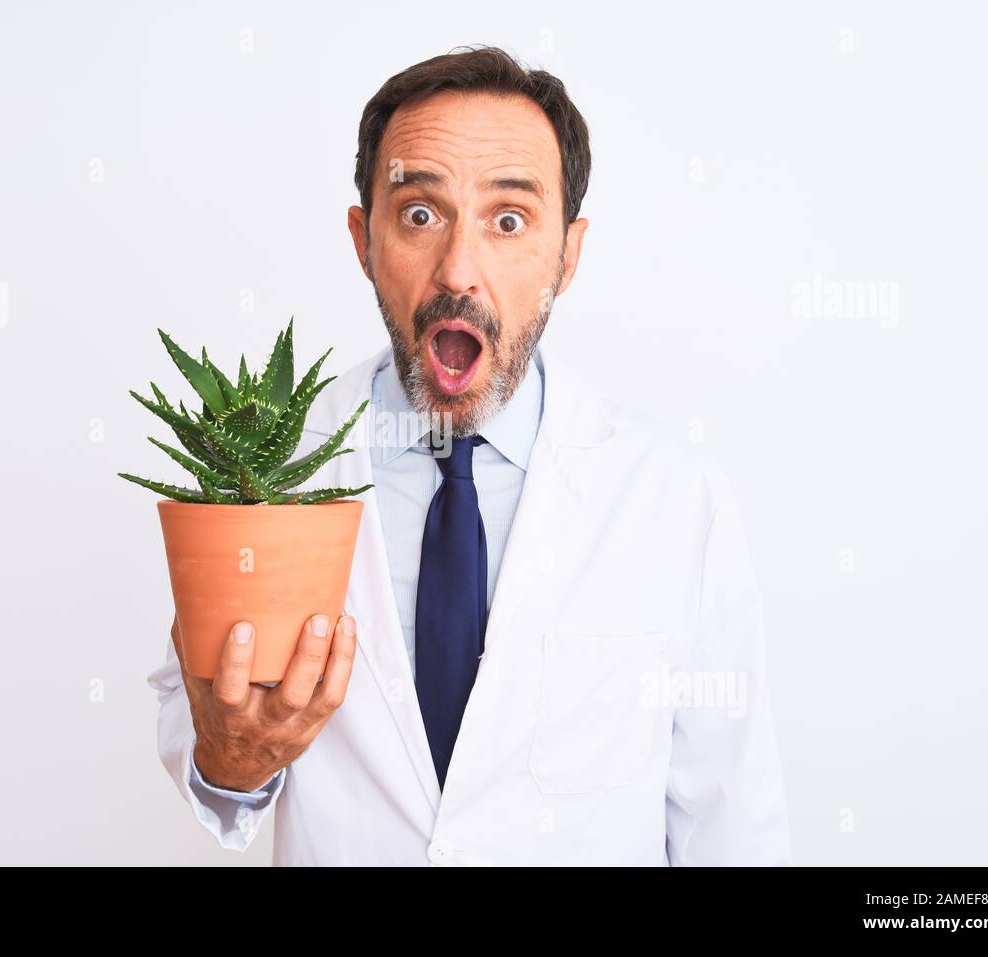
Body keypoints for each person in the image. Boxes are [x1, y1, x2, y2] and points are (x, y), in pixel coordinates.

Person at [147, 44, 792, 866]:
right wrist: (230, 764)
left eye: (510, 220)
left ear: (569, 253)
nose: (460, 269)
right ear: (364, 239)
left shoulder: (673, 498)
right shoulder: (265, 472)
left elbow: (733, 829)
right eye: (419, 213)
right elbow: (197, 732)